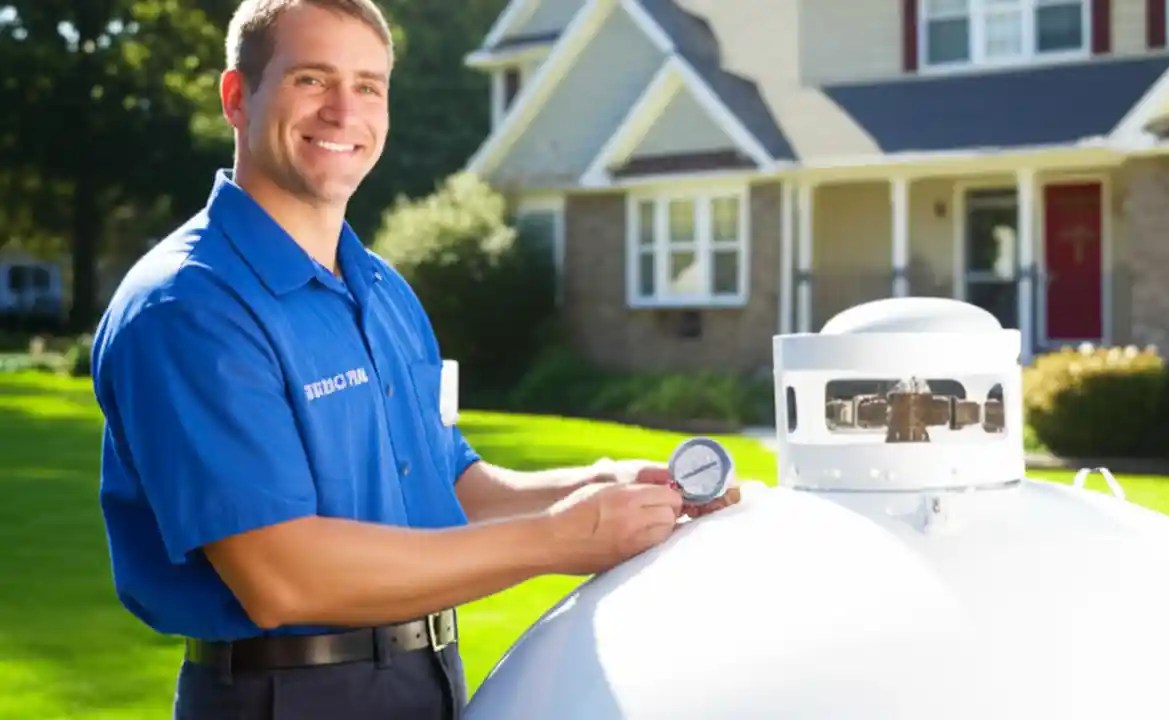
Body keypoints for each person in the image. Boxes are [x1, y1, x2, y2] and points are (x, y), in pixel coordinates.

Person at [88, 1, 739, 718]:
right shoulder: (190, 306)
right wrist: (561, 539)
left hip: (425, 680)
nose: (344, 111)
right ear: (237, 97)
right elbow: (283, 578)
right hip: (287, 696)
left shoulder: (381, 290)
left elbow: (448, 485)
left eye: (368, 86)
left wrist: (607, 484)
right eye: (312, 79)